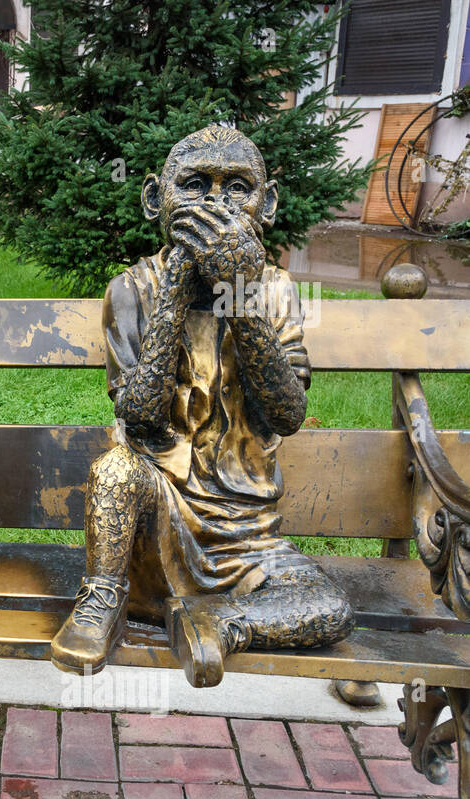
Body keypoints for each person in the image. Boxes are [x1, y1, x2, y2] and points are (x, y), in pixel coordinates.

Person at [50, 126, 354, 687]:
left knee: (330, 607)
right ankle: (102, 600)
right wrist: (173, 292)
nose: (216, 204)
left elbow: (287, 413)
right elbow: (137, 417)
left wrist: (241, 296)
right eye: (194, 185)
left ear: (267, 204)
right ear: (153, 200)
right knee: (114, 468)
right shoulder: (130, 290)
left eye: (237, 187)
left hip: (247, 537)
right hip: (154, 516)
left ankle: (217, 622)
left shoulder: (276, 290)